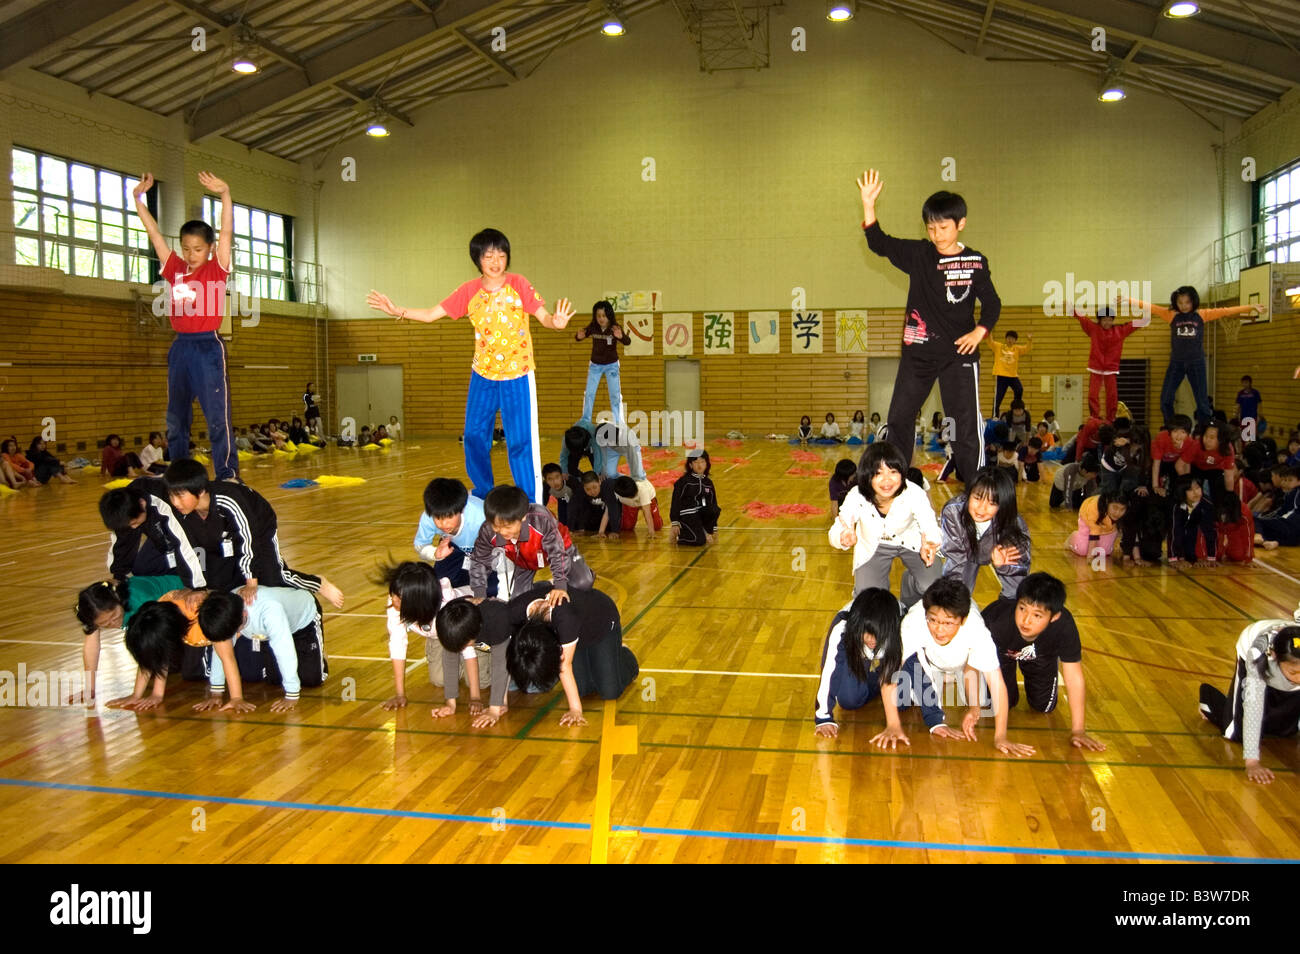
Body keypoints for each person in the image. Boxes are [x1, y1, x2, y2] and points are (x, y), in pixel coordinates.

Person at [367, 228, 575, 502]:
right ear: (477, 258)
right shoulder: (469, 291)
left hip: (518, 375)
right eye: (489, 255)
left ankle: (531, 504)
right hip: (482, 376)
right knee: (475, 437)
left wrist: (556, 324)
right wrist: (399, 311)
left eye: (501, 254)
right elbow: (431, 315)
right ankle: (482, 495)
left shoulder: (519, 284)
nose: (496, 260)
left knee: (521, 442)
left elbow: (544, 317)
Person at [858, 170, 1000, 487]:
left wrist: (980, 331)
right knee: (899, 419)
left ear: (960, 223)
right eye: (931, 228)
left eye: (943, 227)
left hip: (958, 355)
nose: (937, 234)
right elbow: (879, 242)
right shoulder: (920, 255)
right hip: (918, 354)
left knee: (964, 425)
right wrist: (868, 205)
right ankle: (892, 486)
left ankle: (976, 490)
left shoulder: (975, 261)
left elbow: (992, 304)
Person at [133, 170, 239, 480]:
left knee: (217, 416)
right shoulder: (176, 269)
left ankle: (227, 472)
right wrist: (138, 199)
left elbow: (227, 233)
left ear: (209, 248)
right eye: (186, 248)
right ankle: (179, 472)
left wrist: (225, 195)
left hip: (207, 346)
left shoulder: (217, 269)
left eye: (198, 249)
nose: (191, 255)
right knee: (176, 418)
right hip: (180, 347)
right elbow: (154, 234)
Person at [164, 459, 345, 607]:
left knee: (274, 577)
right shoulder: (182, 514)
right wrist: (196, 587)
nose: (175, 502)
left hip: (258, 526)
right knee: (218, 583)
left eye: (180, 496)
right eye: (172, 496)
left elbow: (246, 538)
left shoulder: (228, 500)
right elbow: (188, 550)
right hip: (221, 534)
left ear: (201, 491)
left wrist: (251, 581)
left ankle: (318, 583)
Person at [900, 578, 1035, 757]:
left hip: (964, 667)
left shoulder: (977, 630)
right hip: (928, 663)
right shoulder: (913, 622)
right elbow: (898, 667)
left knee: (987, 702)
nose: (939, 630)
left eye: (948, 623)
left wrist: (999, 734)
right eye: (933, 620)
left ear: (962, 620)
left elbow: (996, 682)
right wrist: (894, 725)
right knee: (901, 701)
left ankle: (956, 686)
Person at [981, 574, 1105, 750]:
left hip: (1041, 656)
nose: (1026, 620)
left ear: (1054, 617)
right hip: (999, 655)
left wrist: (1078, 730)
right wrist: (1000, 736)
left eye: (1037, 615)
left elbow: (1073, 676)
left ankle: (1041, 667)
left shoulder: (1064, 626)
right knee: (999, 703)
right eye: (1022, 609)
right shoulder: (995, 621)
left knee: (1043, 706)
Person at [812, 587, 945, 745]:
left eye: (878, 635)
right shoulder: (843, 625)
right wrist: (823, 717)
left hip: (893, 659)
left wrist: (936, 720)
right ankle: (879, 686)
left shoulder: (903, 626)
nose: (871, 640)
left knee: (902, 702)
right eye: (866, 633)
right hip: (860, 661)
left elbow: (919, 668)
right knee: (849, 700)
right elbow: (830, 668)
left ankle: (886, 687)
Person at [502, 584, 639, 728]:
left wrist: (575, 710)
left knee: (609, 691)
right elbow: (504, 657)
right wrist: (498, 703)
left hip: (601, 624)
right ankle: (597, 661)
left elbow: (564, 665)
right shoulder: (512, 613)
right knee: (581, 690)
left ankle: (625, 655)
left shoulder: (564, 616)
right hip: (574, 636)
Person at [829, 442, 941, 606]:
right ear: (867, 475)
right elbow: (837, 528)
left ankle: (909, 588)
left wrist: (930, 541)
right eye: (878, 473)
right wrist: (842, 537)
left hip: (913, 543)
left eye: (893, 472)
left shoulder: (914, 492)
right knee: (868, 599)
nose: (887, 480)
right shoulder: (856, 495)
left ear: (902, 473)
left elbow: (929, 521)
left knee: (932, 587)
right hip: (874, 545)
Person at [1129, 287, 1259, 426]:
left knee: (1202, 401)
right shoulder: (1171, 315)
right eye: (1180, 302)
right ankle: (1171, 426)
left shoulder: (1202, 315)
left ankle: (1204, 428)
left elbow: (1225, 310)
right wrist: (1128, 300)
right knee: (1165, 399)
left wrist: (1250, 306)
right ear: (1175, 302)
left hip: (1196, 363)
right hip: (1176, 363)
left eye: (1187, 302)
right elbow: (1151, 307)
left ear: (1193, 302)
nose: (1183, 306)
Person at [1199, 616, 1300, 784]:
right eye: (1294, 673)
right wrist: (1252, 763)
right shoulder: (1258, 655)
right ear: (1275, 656)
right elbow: (1254, 706)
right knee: (1235, 733)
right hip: (1253, 655)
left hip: (1281, 669)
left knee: (1285, 732)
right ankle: (1208, 698)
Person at [107, 591, 246, 713]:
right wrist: (147, 695)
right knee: (191, 673)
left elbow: (227, 658)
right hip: (194, 635)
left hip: (244, 627)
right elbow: (151, 656)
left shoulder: (202, 615)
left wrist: (236, 698)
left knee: (249, 672)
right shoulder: (157, 617)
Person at [197, 587, 326, 713]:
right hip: (264, 632)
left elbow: (284, 649)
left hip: (304, 620)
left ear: (244, 614)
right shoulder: (225, 610)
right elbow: (223, 655)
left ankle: (319, 658)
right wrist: (217, 694)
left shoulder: (269, 610)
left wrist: (292, 694)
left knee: (311, 680)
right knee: (275, 680)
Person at [379, 562, 482, 713]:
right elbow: (397, 642)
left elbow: (468, 650)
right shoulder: (396, 602)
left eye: (398, 597)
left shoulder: (447, 607)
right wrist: (400, 694)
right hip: (439, 636)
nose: (393, 600)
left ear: (417, 600)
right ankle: (454, 660)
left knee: (482, 681)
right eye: (393, 594)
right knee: (439, 680)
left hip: (470, 633)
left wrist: (475, 697)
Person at [469, 484, 595, 600]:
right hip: (524, 561)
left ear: (523, 517)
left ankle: (584, 573)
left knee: (583, 583)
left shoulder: (541, 519)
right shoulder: (488, 530)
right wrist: (479, 594)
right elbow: (479, 560)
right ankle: (547, 585)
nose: (502, 532)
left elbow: (557, 553)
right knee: (519, 598)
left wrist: (560, 585)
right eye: (496, 527)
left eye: (507, 527)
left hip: (561, 550)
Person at [938, 466, 1030, 600]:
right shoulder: (953, 512)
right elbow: (955, 559)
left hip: (998, 554)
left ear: (1003, 504)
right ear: (969, 494)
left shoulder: (1014, 524)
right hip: (966, 552)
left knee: (1017, 591)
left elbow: (1023, 566)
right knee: (955, 591)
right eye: (977, 498)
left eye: (992, 503)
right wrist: (955, 597)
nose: (981, 508)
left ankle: (1008, 605)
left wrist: (1003, 566)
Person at [99, 479, 206, 587]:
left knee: (202, 572)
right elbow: (122, 541)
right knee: (141, 569)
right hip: (163, 538)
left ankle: (197, 570)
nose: (134, 527)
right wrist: (119, 576)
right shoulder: (126, 506)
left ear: (143, 503)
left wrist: (197, 586)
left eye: (135, 522)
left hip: (192, 535)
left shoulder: (164, 500)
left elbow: (182, 542)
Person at [413, 477, 495, 593]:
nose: (443, 524)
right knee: (437, 586)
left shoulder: (483, 517)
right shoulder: (428, 517)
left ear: (461, 510)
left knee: (493, 589)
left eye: (449, 517)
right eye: (438, 518)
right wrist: (435, 553)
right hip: (454, 547)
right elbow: (420, 545)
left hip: (489, 550)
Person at [1074, 305, 1147, 420]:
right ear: (1099, 320)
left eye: (1109, 319)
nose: (1107, 322)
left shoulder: (1119, 330)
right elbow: (1082, 318)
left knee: (1112, 395)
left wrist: (1146, 318)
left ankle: (1111, 417)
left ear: (1113, 320)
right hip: (1096, 367)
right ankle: (1094, 417)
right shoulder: (1094, 328)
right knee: (1093, 394)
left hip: (1111, 368)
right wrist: (1071, 308)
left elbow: (1132, 325)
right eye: (1104, 320)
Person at [575, 300, 625, 424]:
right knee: (589, 394)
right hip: (595, 365)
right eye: (598, 316)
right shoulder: (593, 327)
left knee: (615, 395)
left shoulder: (614, 328)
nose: (601, 319)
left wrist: (621, 337)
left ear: (609, 315)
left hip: (611, 365)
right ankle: (586, 419)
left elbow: (627, 341)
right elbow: (580, 336)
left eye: (604, 316)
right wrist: (578, 337)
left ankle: (618, 421)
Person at [670, 448, 720, 547]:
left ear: (707, 464)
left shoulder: (708, 483)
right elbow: (675, 501)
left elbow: (712, 502)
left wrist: (713, 527)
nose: (699, 465)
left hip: (701, 514)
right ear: (690, 465)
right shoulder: (684, 481)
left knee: (714, 509)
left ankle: (705, 531)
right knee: (698, 541)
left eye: (702, 461)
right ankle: (681, 535)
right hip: (687, 515)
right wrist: (675, 522)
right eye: (696, 462)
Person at [1066, 489, 1128, 559]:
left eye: (1122, 509)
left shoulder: (1125, 512)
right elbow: (1094, 532)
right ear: (1107, 503)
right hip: (1087, 519)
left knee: (1105, 551)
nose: (1117, 513)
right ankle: (1072, 538)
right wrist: (1090, 556)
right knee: (1082, 550)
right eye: (1115, 508)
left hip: (1107, 526)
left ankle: (1101, 540)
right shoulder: (1094, 508)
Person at [1169, 477, 1217, 566]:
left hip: (1194, 536)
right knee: (1178, 532)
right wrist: (1174, 558)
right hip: (1180, 535)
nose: (1196, 493)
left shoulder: (1207, 505)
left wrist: (1211, 557)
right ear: (1182, 491)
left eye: (1198, 488)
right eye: (1190, 490)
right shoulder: (1177, 506)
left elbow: (1209, 532)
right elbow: (1175, 531)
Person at [1254, 465, 1300, 549]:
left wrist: (1262, 518)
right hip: (1294, 537)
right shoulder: (1290, 494)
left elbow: (1283, 513)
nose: (1285, 483)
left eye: (1290, 480)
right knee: (1270, 529)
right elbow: (1282, 511)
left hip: (1290, 525)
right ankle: (1275, 542)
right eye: (1285, 480)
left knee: (1255, 520)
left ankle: (1259, 536)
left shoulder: (1296, 492)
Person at [989, 329, 1030, 417]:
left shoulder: (1017, 349)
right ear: (1006, 339)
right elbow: (990, 342)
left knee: (1019, 389)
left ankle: (1016, 409)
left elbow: (1027, 349)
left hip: (1012, 376)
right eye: (1008, 338)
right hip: (1001, 376)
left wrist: (1029, 340)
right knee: (998, 398)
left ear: (1015, 340)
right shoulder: (998, 346)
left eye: (1012, 338)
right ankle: (995, 416)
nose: (1010, 340)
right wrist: (989, 333)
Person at [1150, 414, 1193, 496]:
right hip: (1161, 462)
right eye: (1175, 431)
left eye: (1183, 432)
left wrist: (1186, 484)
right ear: (1170, 432)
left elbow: (1187, 464)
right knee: (1156, 484)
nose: (1179, 436)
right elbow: (1156, 464)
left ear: (1188, 433)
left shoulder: (1190, 442)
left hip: (1176, 463)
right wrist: (1155, 486)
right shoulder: (1161, 438)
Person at [571, 471, 622, 538]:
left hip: (615, 511)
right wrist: (581, 529)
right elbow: (581, 510)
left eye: (595, 487)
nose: (592, 492)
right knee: (589, 526)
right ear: (583, 488)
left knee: (613, 518)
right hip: (600, 511)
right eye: (588, 489)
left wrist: (614, 531)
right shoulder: (581, 491)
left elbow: (611, 509)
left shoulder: (608, 486)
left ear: (599, 482)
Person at [1217, 491, 1255, 564]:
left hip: (1235, 529)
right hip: (1220, 528)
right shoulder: (1216, 510)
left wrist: (1249, 557)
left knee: (1238, 555)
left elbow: (1249, 536)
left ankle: (1228, 549)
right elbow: (1218, 531)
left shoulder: (1244, 513)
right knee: (1217, 555)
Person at [542, 462, 581, 529]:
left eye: (557, 477)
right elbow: (542, 504)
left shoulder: (572, 482)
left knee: (575, 523)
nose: (555, 482)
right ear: (546, 480)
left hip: (576, 501)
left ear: (562, 476)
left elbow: (580, 502)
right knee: (563, 524)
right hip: (562, 500)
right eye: (550, 479)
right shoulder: (545, 486)